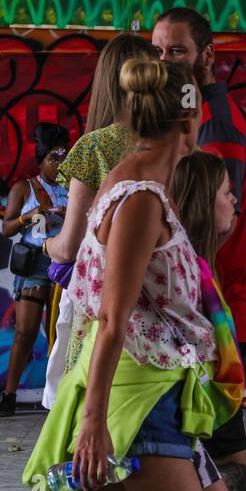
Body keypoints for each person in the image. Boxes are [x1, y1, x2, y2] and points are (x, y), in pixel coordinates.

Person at [23, 58, 221, 491]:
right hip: (139, 400)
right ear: (189, 123)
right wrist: (93, 420)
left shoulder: (137, 187)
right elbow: (112, 318)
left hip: (142, 392)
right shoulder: (139, 200)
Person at [151, 7, 246, 491]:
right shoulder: (196, 118)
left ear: (207, 57)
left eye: (177, 51)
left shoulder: (213, 126)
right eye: (157, 51)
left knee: (224, 444)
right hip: (200, 312)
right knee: (208, 444)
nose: (166, 61)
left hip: (203, 312)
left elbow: (207, 228)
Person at [42, 33, 156, 409]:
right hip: (162, 298)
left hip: (101, 303)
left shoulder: (93, 147)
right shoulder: (172, 142)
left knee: (89, 407)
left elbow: (71, 245)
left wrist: (46, 246)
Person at [165, 150, 246, 491]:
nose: (234, 200)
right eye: (226, 192)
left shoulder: (200, 265)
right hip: (194, 418)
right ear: (204, 202)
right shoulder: (188, 271)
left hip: (208, 417)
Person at [0, 123, 70, 417]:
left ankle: (59, 398)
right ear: (41, 160)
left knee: (61, 330)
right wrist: (28, 216)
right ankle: (9, 395)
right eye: (54, 158)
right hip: (34, 261)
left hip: (64, 260)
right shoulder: (24, 187)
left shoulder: (72, 187)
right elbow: (6, 228)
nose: (59, 164)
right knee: (25, 331)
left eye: (64, 158)